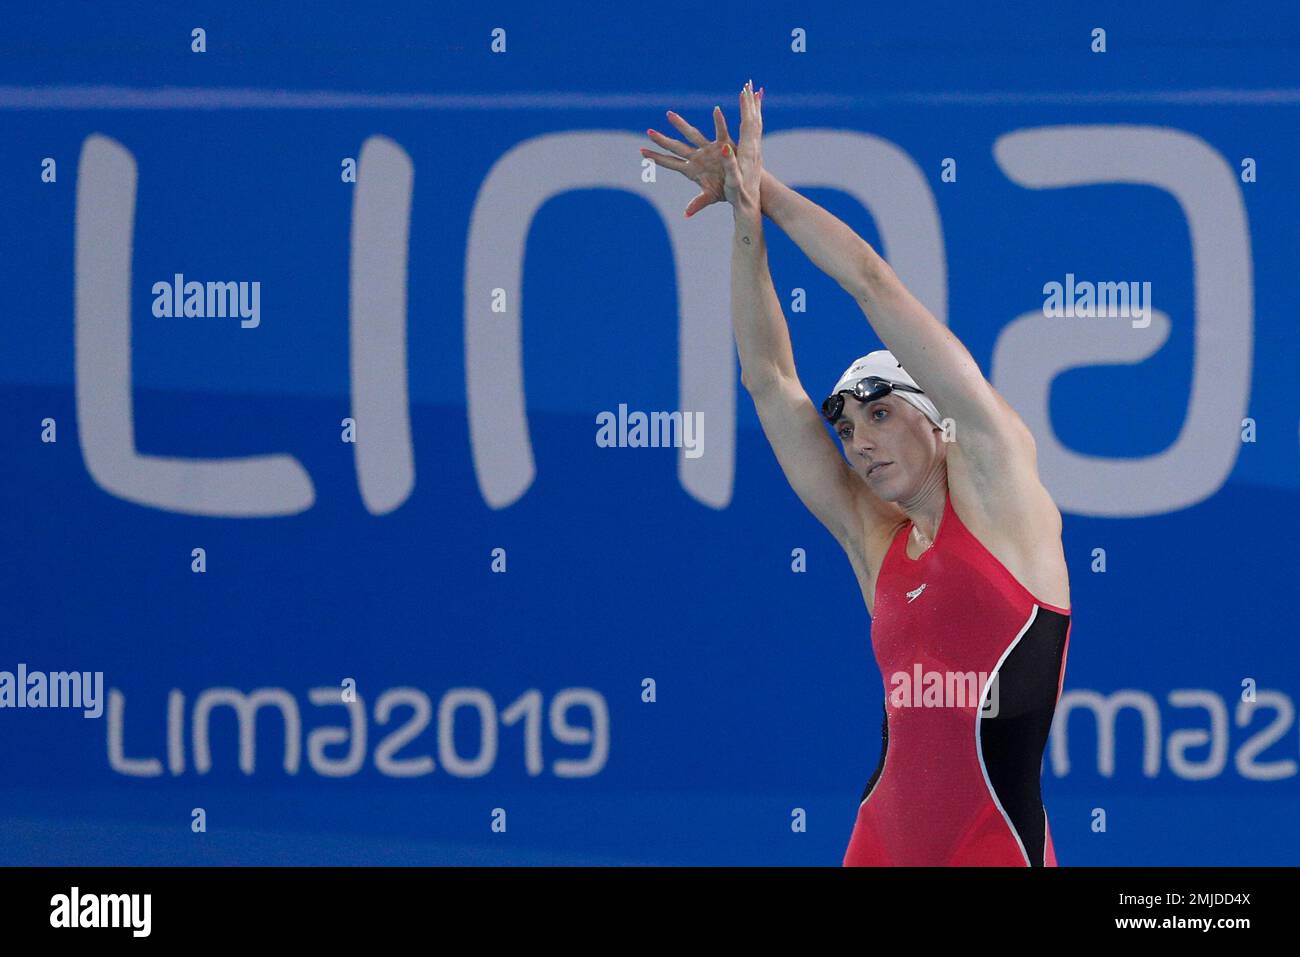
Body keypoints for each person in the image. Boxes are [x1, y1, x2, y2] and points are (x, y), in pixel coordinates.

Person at [640, 81, 1073, 866]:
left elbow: (872, 280)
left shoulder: (1006, 486)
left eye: (878, 412)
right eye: (845, 427)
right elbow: (769, 379)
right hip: (878, 845)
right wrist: (744, 224)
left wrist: (765, 187)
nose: (858, 441)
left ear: (936, 416)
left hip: (993, 850)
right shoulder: (876, 541)